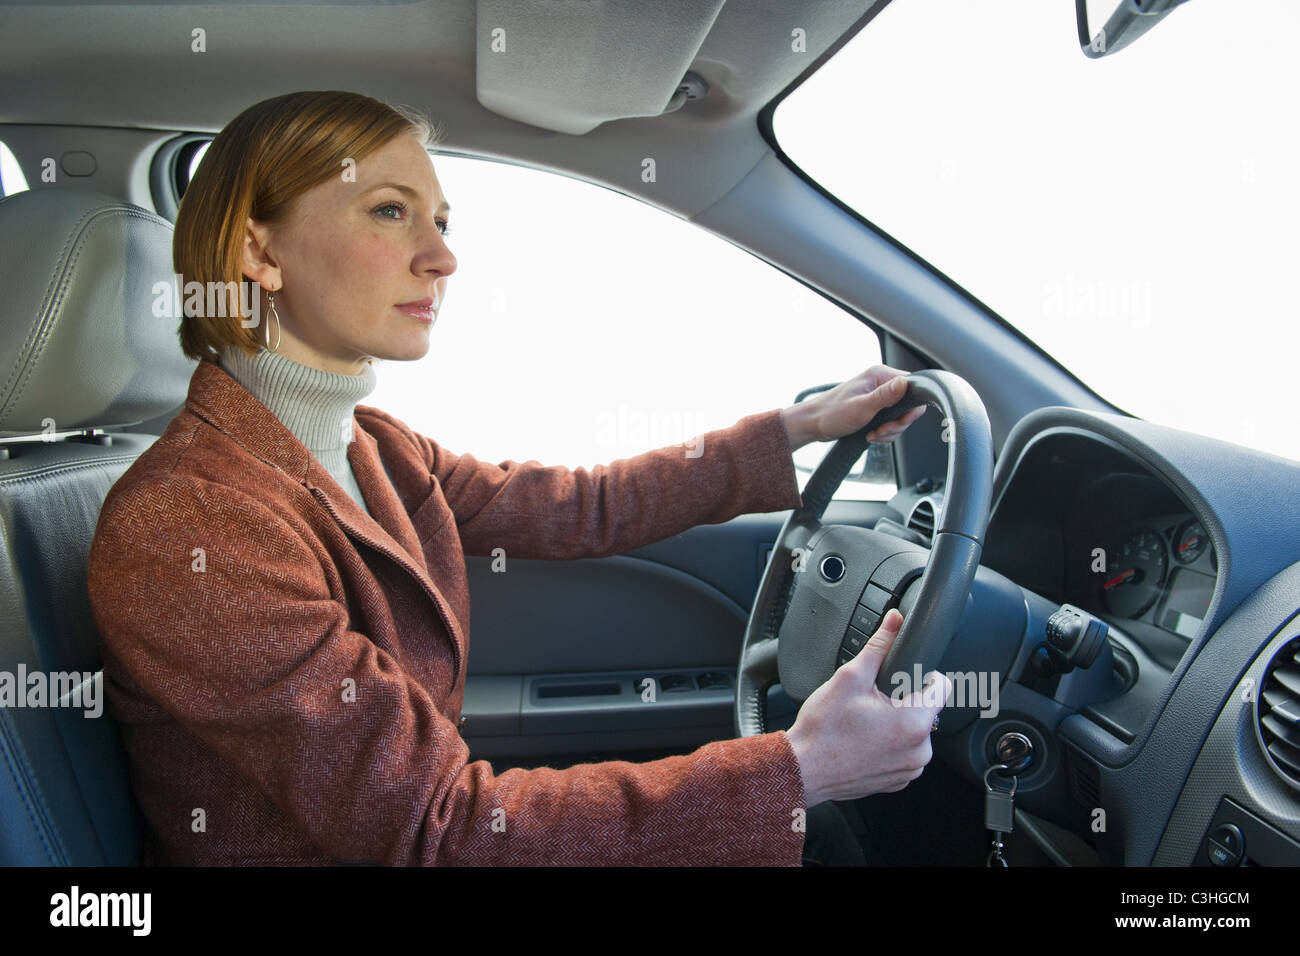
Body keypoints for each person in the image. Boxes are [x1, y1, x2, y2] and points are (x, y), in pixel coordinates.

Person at [86, 90, 941, 867]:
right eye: (390, 212)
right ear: (257, 253)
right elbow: (442, 829)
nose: (441, 258)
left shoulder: (370, 446)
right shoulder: (191, 524)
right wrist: (798, 768)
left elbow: (582, 507)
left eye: (442, 223)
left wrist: (798, 428)